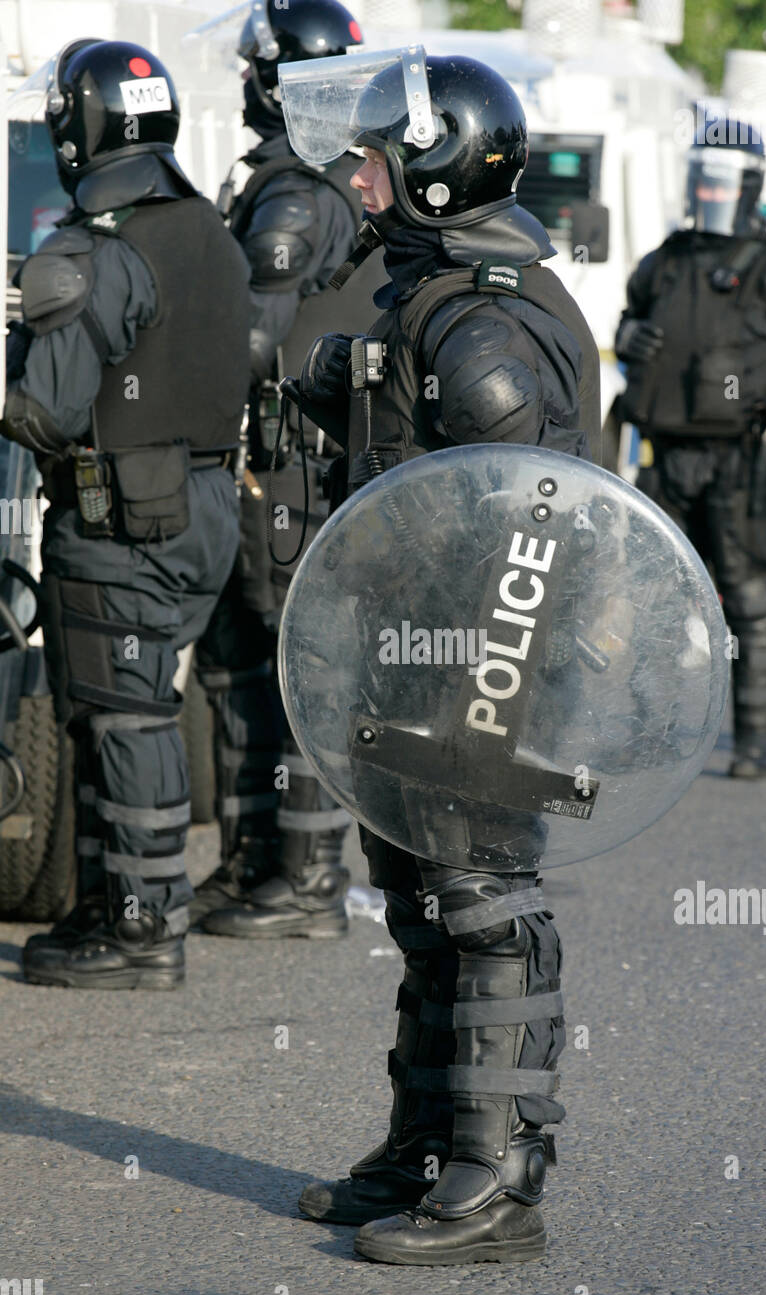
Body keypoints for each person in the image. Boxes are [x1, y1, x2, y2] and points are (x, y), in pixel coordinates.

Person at [279, 48, 601, 1264]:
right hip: (411, 662)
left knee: (484, 914)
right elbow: (410, 469)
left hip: (481, 670)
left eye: (372, 161)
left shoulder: (482, 334)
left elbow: (517, 528)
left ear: (432, 172)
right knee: (422, 912)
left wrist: (478, 692)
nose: (356, 181)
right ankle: (425, 1149)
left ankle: (498, 1182)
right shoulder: (434, 296)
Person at [2, 39, 250, 988]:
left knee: (127, 719)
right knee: (127, 710)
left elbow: (44, 413)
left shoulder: (100, 249)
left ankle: (144, 932)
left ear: (81, 126)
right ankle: (113, 909)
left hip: (122, 523)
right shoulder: (208, 229)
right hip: (203, 508)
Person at [189, 0, 384, 940]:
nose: (238, 84)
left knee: (289, 661)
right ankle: (248, 862)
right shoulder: (304, 175)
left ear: (277, 79)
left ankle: (305, 881)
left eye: (249, 68)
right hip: (270, 463)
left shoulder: (300, 191)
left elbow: (252, 336)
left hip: (289, 471)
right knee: (236, 663)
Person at [615, 116, 766, 778]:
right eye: (700, 178)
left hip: (741, 465)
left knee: (747, 601)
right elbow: (629, 319)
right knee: (655, 596)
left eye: (721, 181)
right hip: (667, 457)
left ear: (749, 188)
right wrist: (627, 341)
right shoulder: (665, 261)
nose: (707, 193)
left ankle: (756, 741)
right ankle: (651, 734)